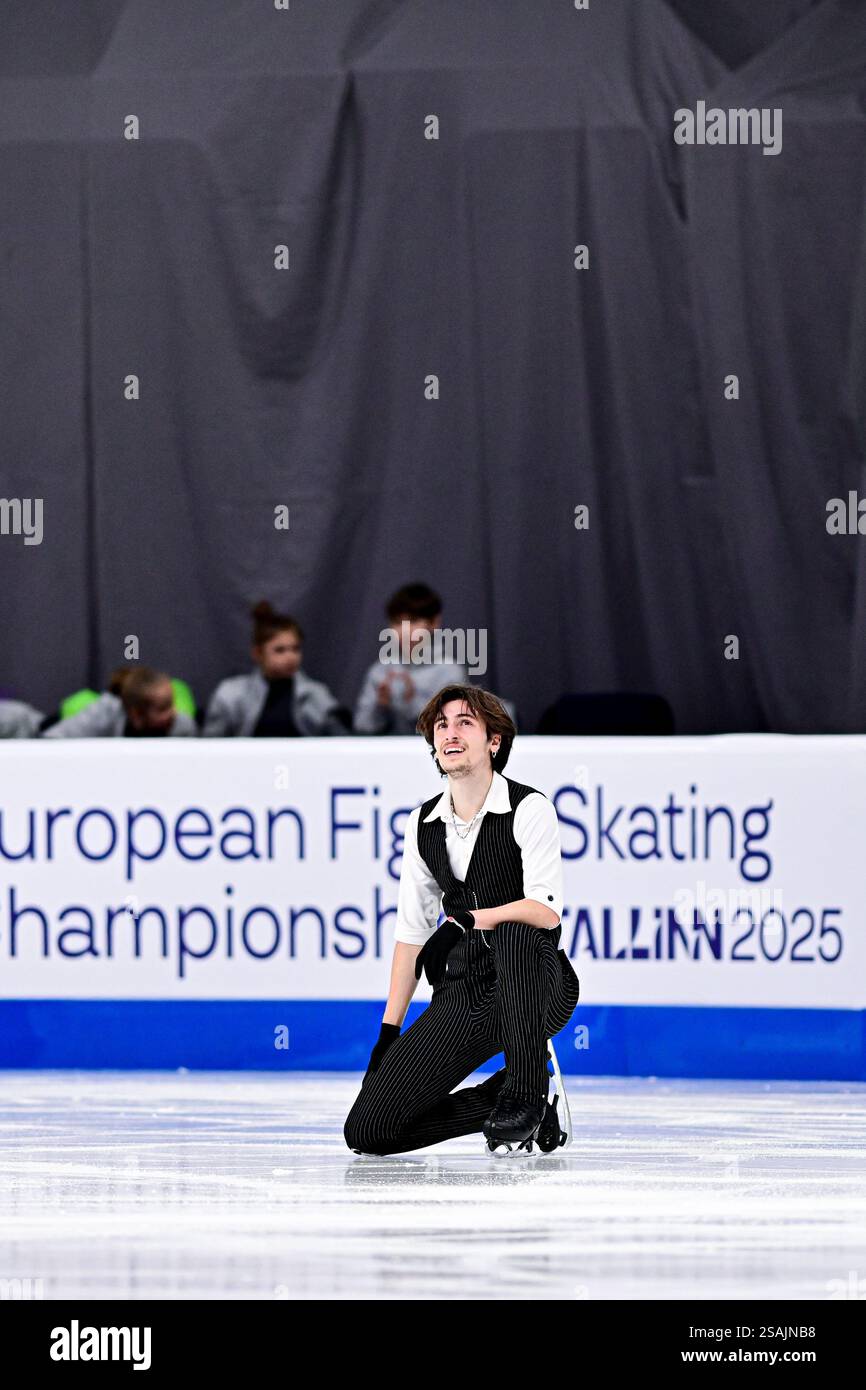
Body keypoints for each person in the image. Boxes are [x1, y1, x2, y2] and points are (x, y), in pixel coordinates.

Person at [343, 683, 580, 1157]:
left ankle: (526, 1088)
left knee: (517, 931)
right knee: (368, 1131)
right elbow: (411, 934)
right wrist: (387, 1035)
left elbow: (546, 909)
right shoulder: (423, 822)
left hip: (537, 986)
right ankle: (500, 1099)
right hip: (466, 995)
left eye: (465, 722)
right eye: (441, 724)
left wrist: (466, 921)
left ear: (494, 740)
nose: (450, 733)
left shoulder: (528, 808)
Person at [203, 601, 350, 737]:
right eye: (280, 650)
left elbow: (340, 741)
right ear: (258, 653)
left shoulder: (315, 693)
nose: (291, 657)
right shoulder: (230, 694)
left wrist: (335, 721)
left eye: (295, 649)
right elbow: (210, 747)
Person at [353, 582, 468, 734]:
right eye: (397, 622)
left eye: (413, 621)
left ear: (434, 622)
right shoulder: (380, 671)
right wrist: (381, 706)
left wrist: (411, 702)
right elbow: (361, 727)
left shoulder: (450, 672)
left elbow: (452, 729)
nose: (404, 630)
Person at [41, 667, 198, 737]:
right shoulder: (104, 713)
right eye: (163, 709)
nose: (173, 712)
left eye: (171, 704)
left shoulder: (182, 726)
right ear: (136, 714)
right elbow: (52, 741)